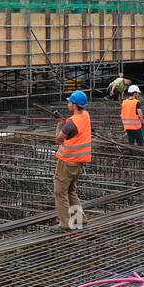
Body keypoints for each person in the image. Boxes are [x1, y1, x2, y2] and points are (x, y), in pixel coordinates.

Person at [54, 90, 92, 230]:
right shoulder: (85, 116)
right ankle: (80, 219)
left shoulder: (71, 123)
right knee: (70, 190)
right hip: (78, 161)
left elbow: (58, 139)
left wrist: (59, 124)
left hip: (68, 161)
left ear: (74, 105)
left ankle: (65, 224)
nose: (68, 104)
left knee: (60, 192)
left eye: (69, 102)